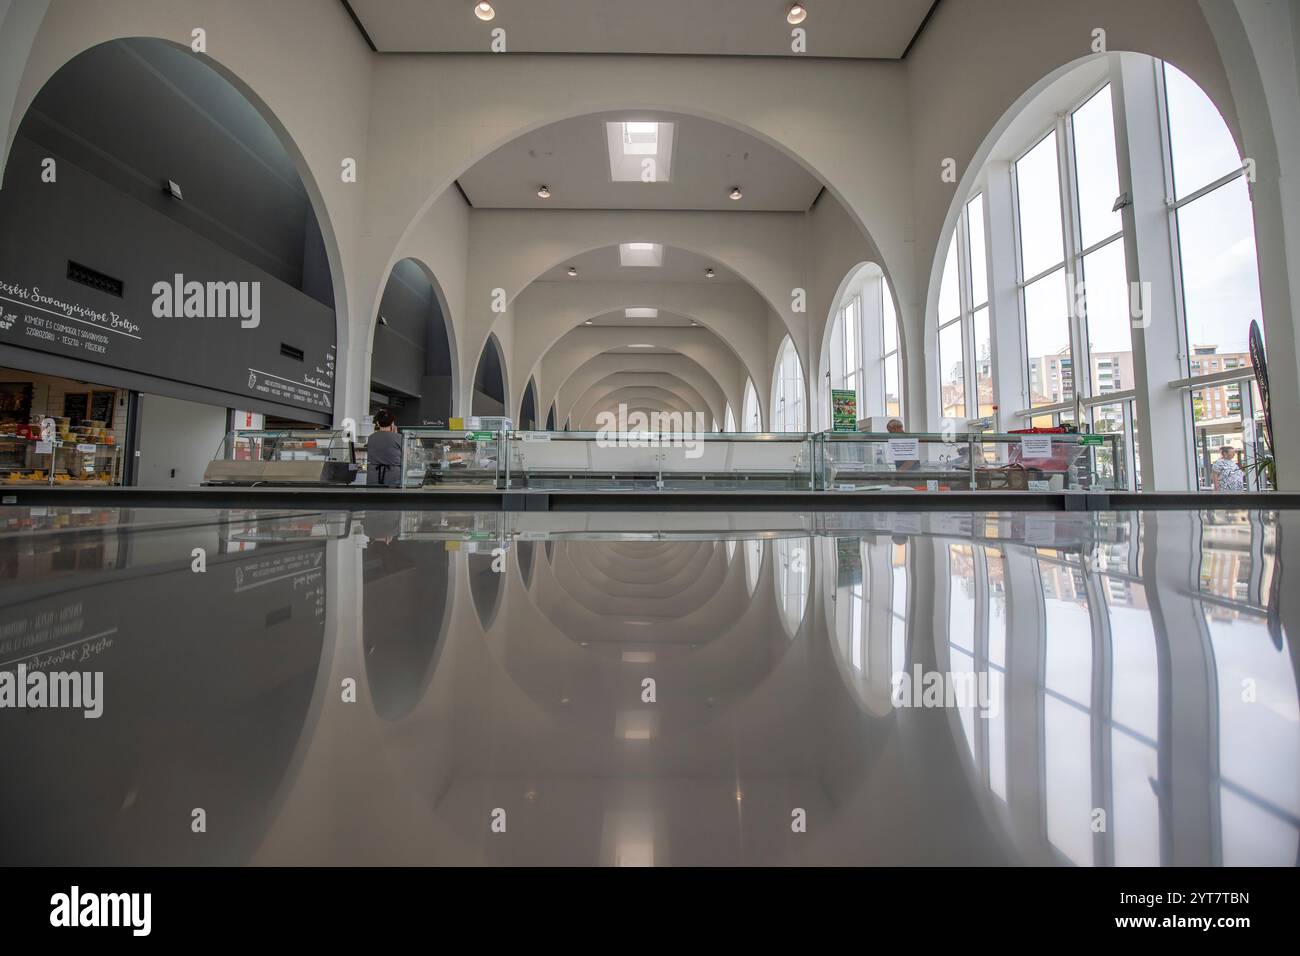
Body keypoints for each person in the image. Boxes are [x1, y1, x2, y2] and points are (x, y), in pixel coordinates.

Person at [366, 409, 403, 487]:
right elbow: (407, 456)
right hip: (392, 477)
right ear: (392, 424)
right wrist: (395, 434)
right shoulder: (399, 437)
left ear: (378, 423)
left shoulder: (371, 437)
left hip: (373, 476)